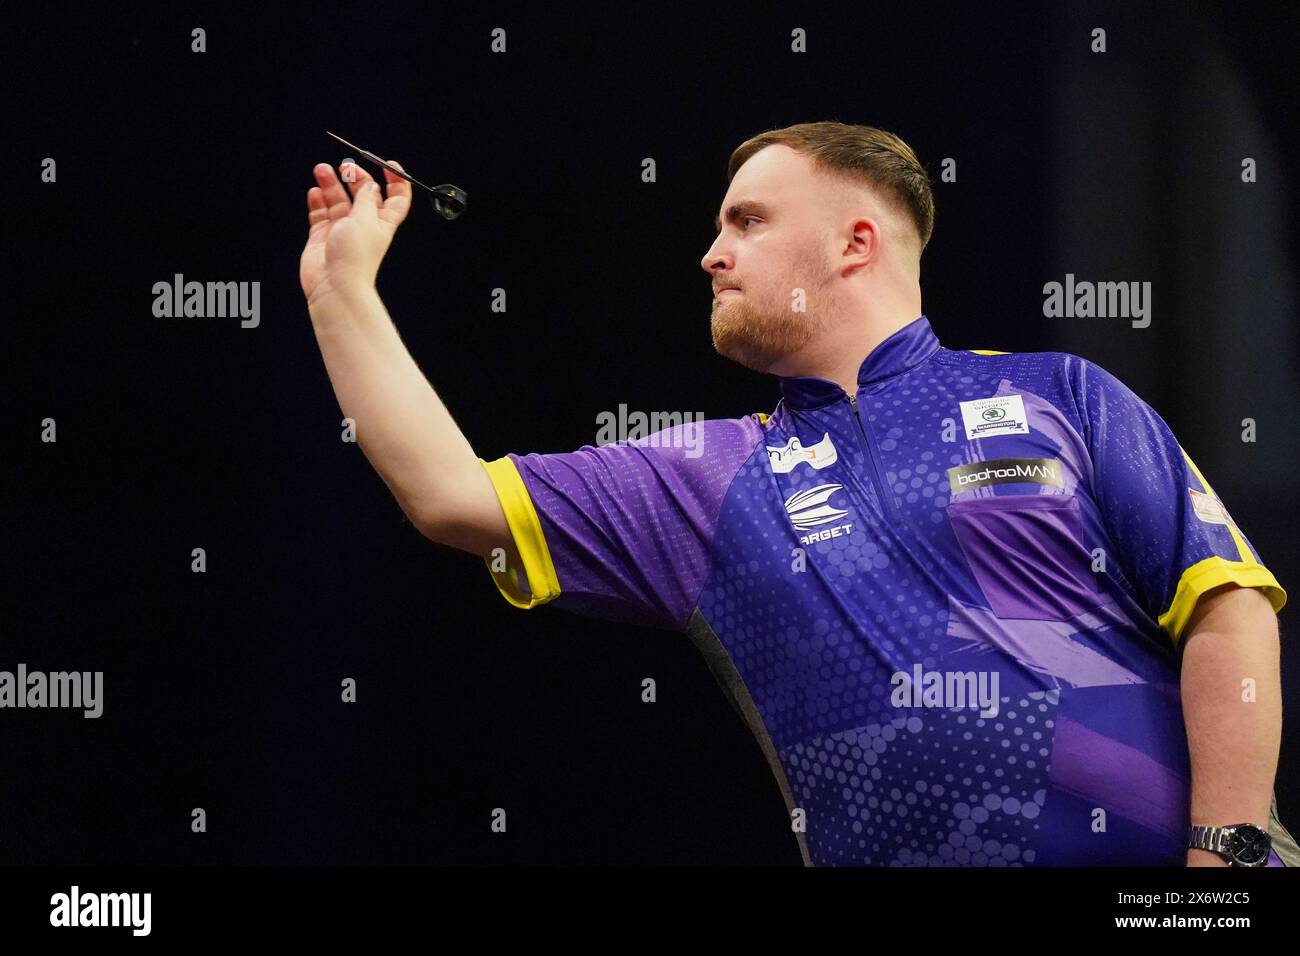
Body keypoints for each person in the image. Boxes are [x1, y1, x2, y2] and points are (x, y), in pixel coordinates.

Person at [300, 120, 1295, 867]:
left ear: (853, 243)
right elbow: (448, 494)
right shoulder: (700, 478)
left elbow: (1227, 605)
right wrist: (340, 288)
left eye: (747, 220)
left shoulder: (1057, 393)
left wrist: (1226, 865)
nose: (711, 252)